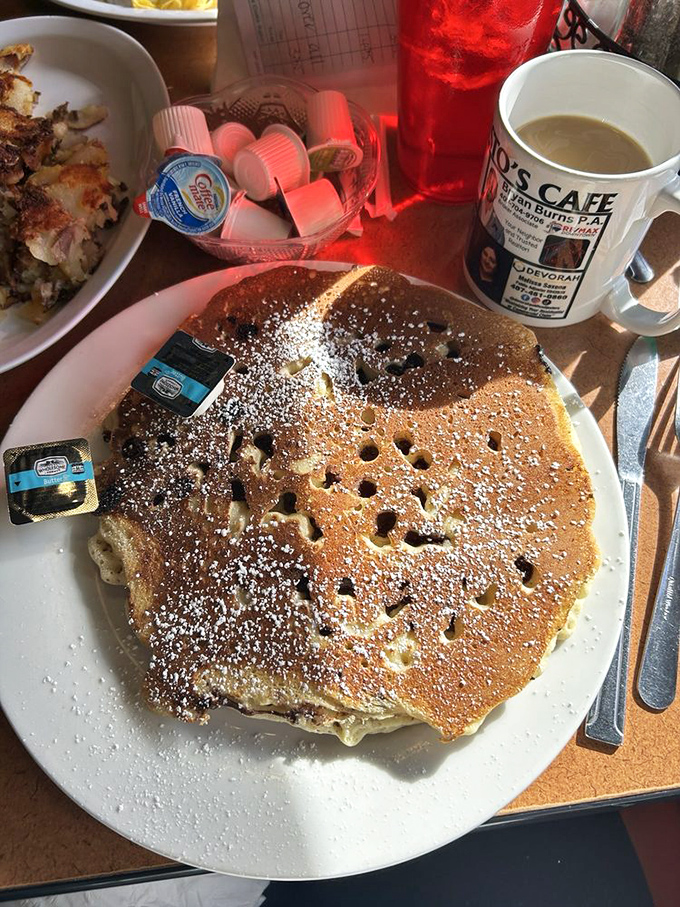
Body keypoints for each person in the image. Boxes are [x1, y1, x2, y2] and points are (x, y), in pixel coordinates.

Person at [478, 168, 505, 245]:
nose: (490, 187)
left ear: (497, 192)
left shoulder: (499, 229)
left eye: (493, 184)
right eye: (489, 182)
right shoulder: (477, 208)